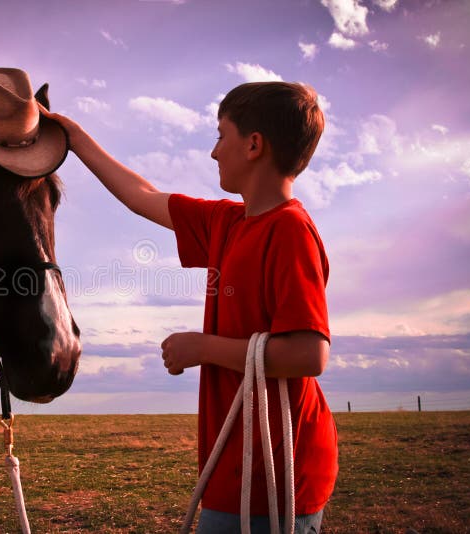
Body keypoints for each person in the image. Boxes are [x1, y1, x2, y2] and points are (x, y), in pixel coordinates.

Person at [43, 81, 338, 533]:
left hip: (277, 469)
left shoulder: (291, 230)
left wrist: (201, 348)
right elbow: (141, 195)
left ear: (254, 145)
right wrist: (74, 136)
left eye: (222, 136)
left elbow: (309, 354)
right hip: (236, 459)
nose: (215, 152)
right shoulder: (225, 222)